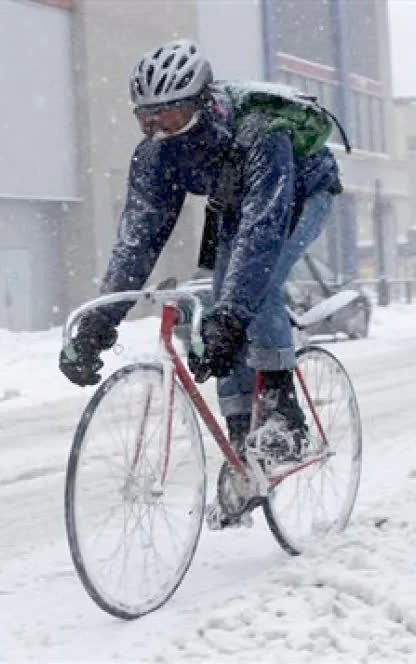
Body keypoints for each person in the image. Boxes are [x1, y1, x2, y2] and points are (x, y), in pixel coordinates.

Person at [58, 39, 344, 465]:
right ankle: (243, 445)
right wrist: (99, 324)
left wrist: (232, 319)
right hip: (235, 201)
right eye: (146, 120)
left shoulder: (261, 134)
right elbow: (136, 243)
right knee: (217, 308)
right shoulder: (156, 156)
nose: (160, 131)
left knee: (252, 293)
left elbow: (262, 232)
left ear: (203, 103)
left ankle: (285, 415)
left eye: (171, 116)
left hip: (301, 193)